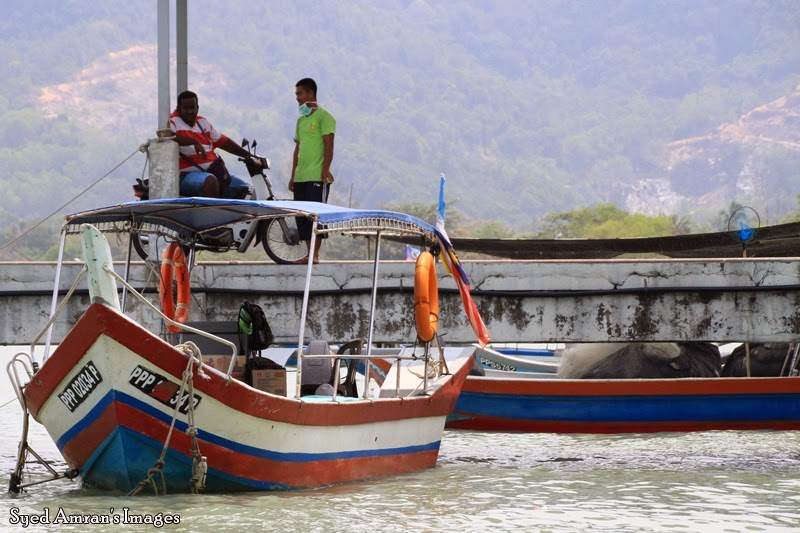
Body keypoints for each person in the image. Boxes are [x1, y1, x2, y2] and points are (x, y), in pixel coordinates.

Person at [169, 90, 257, 198]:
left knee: (249, 192)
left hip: (215, 171)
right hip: (187, 176)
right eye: (186, 108)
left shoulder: (202, 122)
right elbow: (168, 134)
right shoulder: (173, 121)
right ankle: (205, 209)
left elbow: (224, 142)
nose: (190, 111)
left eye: (192, 107)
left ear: (197, 108)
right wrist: (193, 141)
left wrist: (250, 156)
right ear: (178, 109)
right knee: (210, 182)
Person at [290, 78, 336, 263]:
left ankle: (314, 255)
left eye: (300, 94)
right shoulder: (301, 121)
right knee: (302, 216)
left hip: (317, 176)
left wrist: (325, 169)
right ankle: (309, 254)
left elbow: (329, 145)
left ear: (310, 93)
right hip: (301, 176)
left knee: (316, 216)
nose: (297, 98)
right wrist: (293, 176)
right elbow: (297, 149)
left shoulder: (325, 117)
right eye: (296, 94)